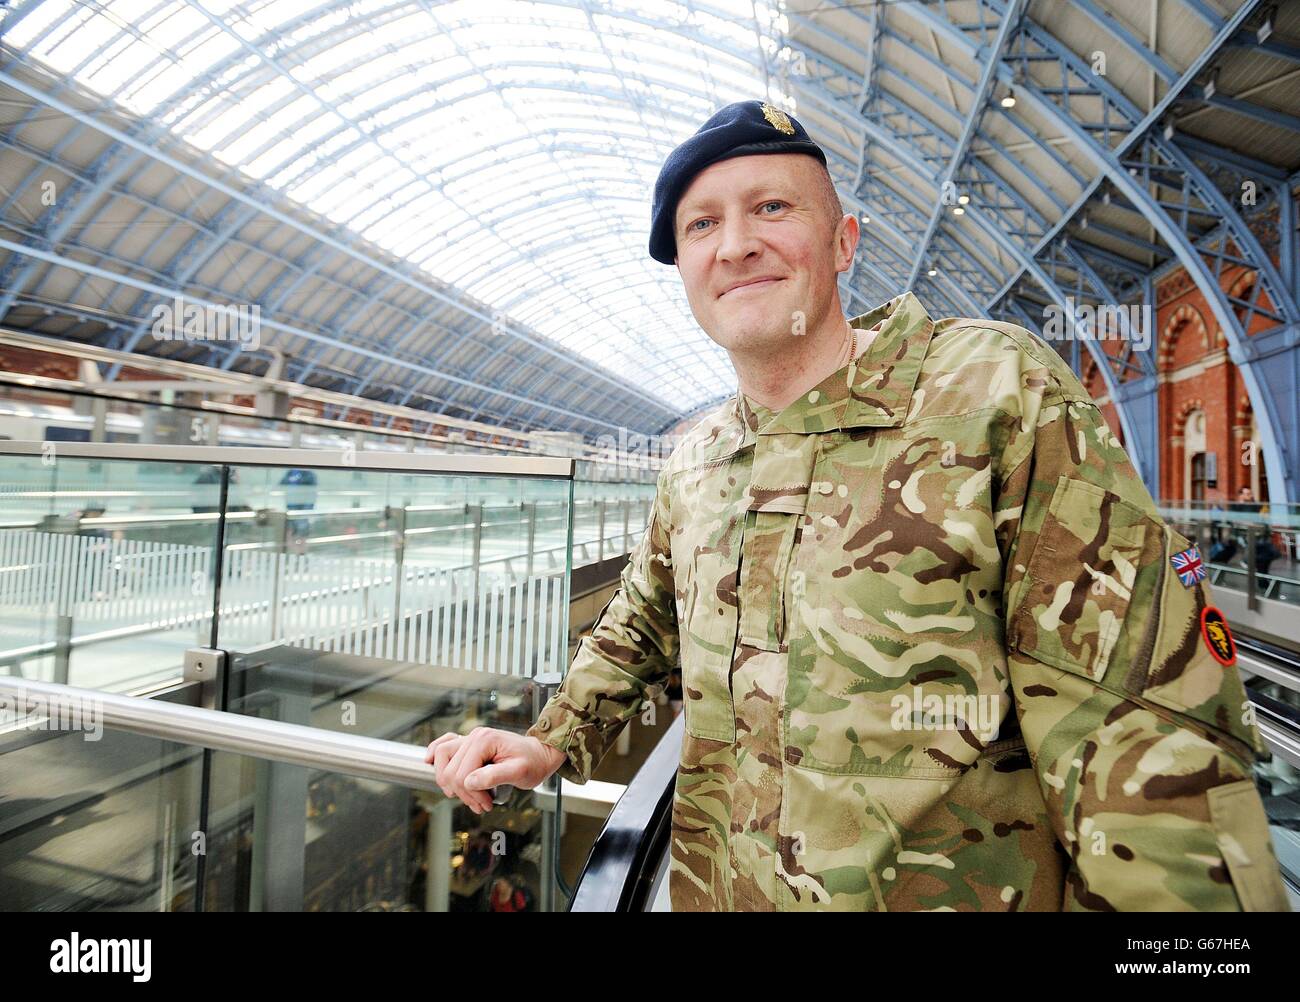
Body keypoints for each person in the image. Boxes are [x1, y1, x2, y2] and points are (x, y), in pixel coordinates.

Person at [426, 100, 1289, 911]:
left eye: (771, 208)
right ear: (684, 268)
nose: (735, 245)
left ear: (843, 242)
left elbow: (1142, 733)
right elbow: (645, 620)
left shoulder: (993, 393)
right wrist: (552, 739)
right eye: (702, 224)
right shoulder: (698, 459)